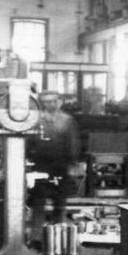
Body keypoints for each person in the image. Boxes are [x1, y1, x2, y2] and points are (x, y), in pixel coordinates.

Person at [27, 90, 81, 235]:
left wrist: (73, 164)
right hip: (39, 167)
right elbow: (28, 143)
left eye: (52, 101)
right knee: (38, 204)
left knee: (60, 203)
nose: (49, 104)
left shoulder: (67, 121)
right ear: (41, 103)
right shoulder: (35, 121)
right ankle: (37, 238)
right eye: (46, 101)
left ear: (58, 102)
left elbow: (73, 143)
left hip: (61, 167)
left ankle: (58, 237)